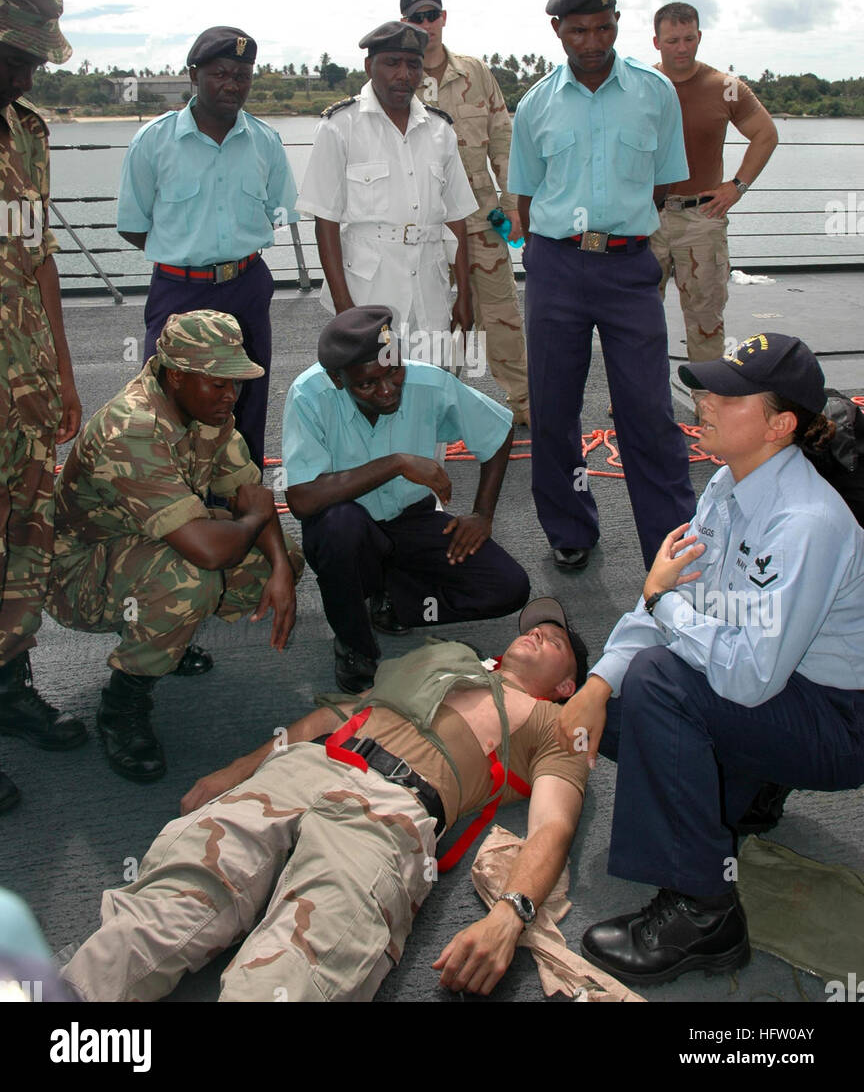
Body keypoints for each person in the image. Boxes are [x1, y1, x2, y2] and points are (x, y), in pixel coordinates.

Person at [61, 596, 589, 1003]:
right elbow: (339, 714)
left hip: (392, 812)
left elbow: (552, 829)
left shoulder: (553, 726)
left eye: (555, 639)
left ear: (567, 685)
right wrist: (242, 767)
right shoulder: (450, 662)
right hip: (309, 766)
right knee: (171, 900)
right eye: (534, 628)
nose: (539, 632)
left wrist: (510, 914)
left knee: (302, 965)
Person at [555, 333, 864, 986]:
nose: (704, 399)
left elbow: (742, 670)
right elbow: (677, 584)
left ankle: (704, 912)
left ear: (779, 424)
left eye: (729, 394)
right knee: (619, 703)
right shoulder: (731, 482)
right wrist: (598, 682)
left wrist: (664, 606)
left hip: (840, 721)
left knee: (662, 685)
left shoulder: (807, 522)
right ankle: (748, 789)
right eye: (706, 386)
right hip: (788, 681)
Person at [46, 311, 304, 783]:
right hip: (77, 575)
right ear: (177, 374)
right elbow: (215, 545)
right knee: (193, 579)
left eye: (236, 384)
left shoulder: (205, 409)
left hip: (149, 538)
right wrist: (250, 517)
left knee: (278, 557)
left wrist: (283, 569)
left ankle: (168, 636)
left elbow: (248, 488)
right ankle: (123, 705)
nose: (231, 396)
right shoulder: (133, 427)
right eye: (219, 384)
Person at [508, 0, 695, 573]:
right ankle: (570, 526)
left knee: (649, 411)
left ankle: (669, 546)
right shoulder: (536, 104)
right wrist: (556, 248)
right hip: (555, 267)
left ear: (617, 25)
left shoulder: (654, 92)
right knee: (555, 409)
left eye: (604, 27)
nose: (592, 41)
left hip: (628, 267)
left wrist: (618, 231)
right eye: (579, 29)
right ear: (557, 31)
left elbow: (664, 183)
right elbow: (528, 201)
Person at [281, 305, 530, 692]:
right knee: (339, 527)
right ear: (337, 378)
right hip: (349, 527)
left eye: (394, 371)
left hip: (412, 519)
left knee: (508, 587)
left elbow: (497, 434)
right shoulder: (308, 395)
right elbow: (301, 499)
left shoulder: (429, 382)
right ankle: (355, 644)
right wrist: (396, 463)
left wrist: (482, 514)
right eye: (367, 384)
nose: (387, 390)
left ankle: (392, 603)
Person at [116, 26, 299, 469]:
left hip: (246, 286)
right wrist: (186, 253)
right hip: (180, 291)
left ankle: (243, 497)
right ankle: (175, 500)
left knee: (246, 399)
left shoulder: (266, 141)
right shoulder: (153, 142)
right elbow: (133, 225)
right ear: (193, 75)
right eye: (220, 73)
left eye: (242, 74)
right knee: (166, 400)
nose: (233, 84)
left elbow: (281, 212)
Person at [0, 0, 86, 815]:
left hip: (20, 387)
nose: (30, 72)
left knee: (25, 545)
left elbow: (40, 259)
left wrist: (61, 370)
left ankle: (9, 685)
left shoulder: (27, 130)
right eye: (16, 54)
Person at [297, 21, 476, 349]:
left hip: (431, 286)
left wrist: (465, 293)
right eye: (392, 63)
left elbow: (457, 219)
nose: (404, 74)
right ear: (369, 66)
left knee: (433, 387)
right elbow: (326, 223)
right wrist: (343, 308)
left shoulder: (439, 131)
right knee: (372, 393)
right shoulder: (340, 127)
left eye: (413, 64)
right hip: (369, 290)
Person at [399, 0, 530, 423]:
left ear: (443, 17)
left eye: (431, 15)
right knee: (431, 317)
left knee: (501, 312)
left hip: (479, 216)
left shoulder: (475, 72)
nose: (426, 25)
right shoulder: (398, 77)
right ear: (405, 23)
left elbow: (503, 138)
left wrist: (512, 204)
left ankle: (525, 403)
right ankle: (436, 405)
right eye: (416, 18)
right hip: (424, 224)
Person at [650, 2, 779, 361]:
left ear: (699, 37)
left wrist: (737, 186)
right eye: (672, 40)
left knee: (706, 319)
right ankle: (636, 400)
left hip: (701, 219)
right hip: (646, 217)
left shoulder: (725, 87)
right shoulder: (641, 86)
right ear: (656, 42)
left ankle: (709, 406)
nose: (682, 47)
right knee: (637, 316)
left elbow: (766, 134)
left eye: (689, 38)